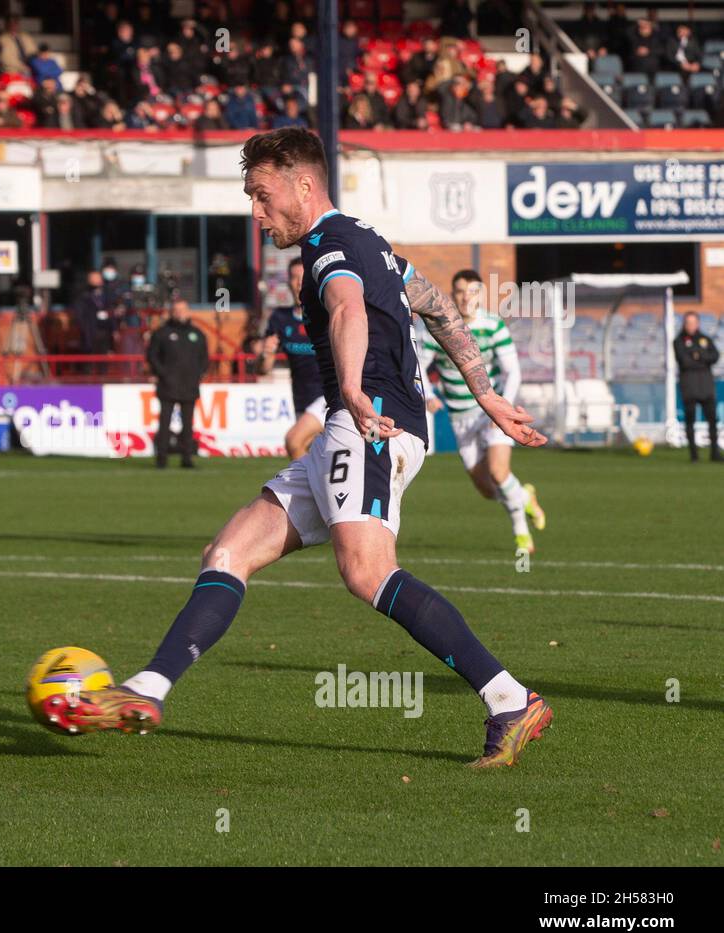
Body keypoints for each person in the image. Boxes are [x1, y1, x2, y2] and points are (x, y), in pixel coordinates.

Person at [48, 128, 552, 769]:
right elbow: (437, 308)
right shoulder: (371, 242)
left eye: (262, 196)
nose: (256, 214)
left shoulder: (327, 248)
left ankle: (509, 697)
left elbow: (347, 310)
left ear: (303, 184)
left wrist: (349, 388)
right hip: (360, 424)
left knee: (367, 572)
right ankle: (146, 690)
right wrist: (483, 392)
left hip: (368, 424)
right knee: (228, 551)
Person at [423, 270, 546, 553]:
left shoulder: (492, 325)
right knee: (488, 489)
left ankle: (521, 534)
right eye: (460, 292)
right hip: (459, 416)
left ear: (480, 294)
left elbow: (512, 370)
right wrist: (428, 395)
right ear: (452, 295)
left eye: (472, 291)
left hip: (491, 412)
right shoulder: (439, 326)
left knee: (499, 472)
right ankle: (524, 496)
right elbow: (418, 366)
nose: (466, 298)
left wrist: (503, 407)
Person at [260, 258, 324, 459]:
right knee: (314, 456)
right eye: (293, 278)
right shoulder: (280, 318)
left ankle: (306, 489)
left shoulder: (325, 313)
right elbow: (264, 370)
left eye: (302, 278)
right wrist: (267, 353)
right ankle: (317, 490)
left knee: (293, 441)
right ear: (287, 282)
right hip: (301, 398)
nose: (298, 283)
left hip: (329, 396)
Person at [146, 299, 209, 469]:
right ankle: (161, 459)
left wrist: (198, 374)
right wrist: (163, 374)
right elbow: (152, 356)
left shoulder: (197, 334)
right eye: (176, 310)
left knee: (188, 425)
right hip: (168, 386)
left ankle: (187, 458)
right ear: (171, 312)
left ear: (188, 312)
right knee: (164, 423)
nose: (180, 313)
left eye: (183, 310)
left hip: (189, 385)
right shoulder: (162, 333)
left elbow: (204, 358)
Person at [674, 311, 721, 462]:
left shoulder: (704, 339)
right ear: (684, 324)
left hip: (706, 386)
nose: (691, 326)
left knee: (712, 420)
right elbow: (684, 361)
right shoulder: (679, 341)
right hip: (689, 386)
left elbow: (715, 356)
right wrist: (702, 358)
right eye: (688, 323)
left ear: (698, 323)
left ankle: (715, 453)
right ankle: (693, 454)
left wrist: (698, 354)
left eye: (693, 322)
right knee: (690, 420)